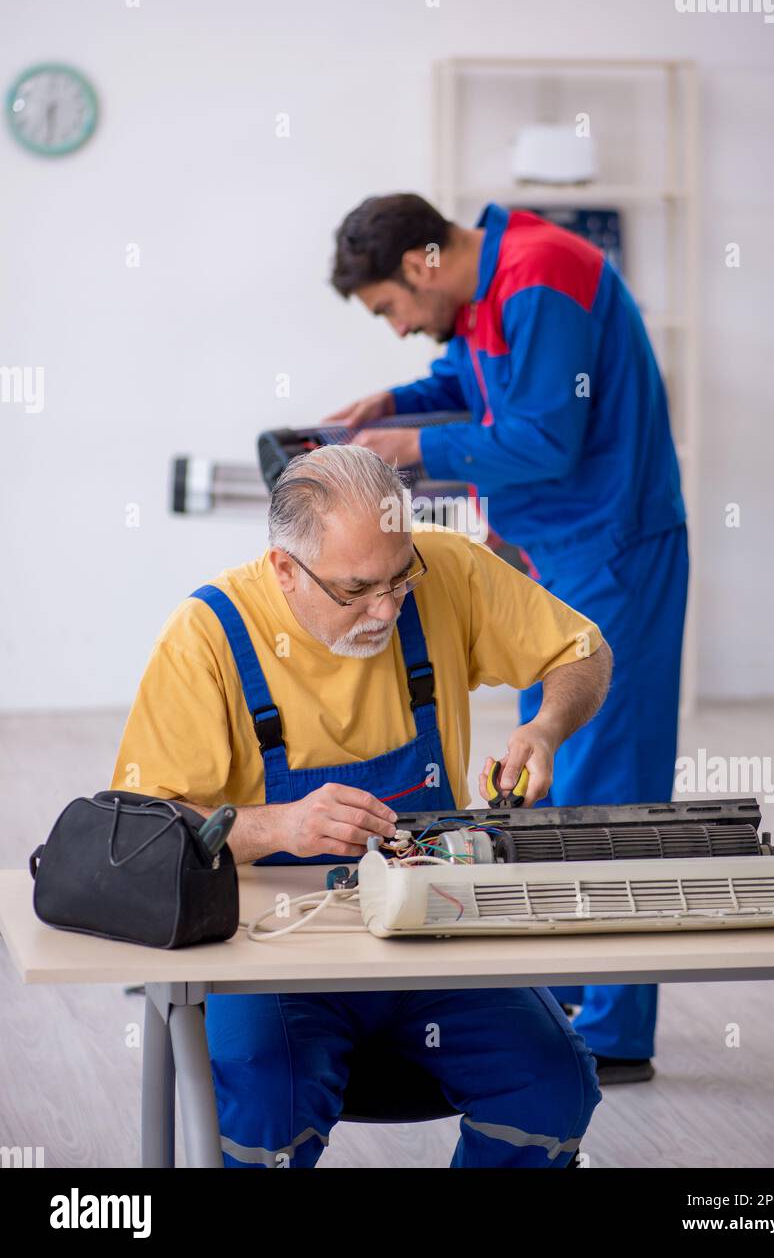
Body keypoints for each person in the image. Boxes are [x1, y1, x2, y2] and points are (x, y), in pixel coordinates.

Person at [112, 444, 612, 1168]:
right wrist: (278, 825)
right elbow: (141, 838)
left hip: (434, 926)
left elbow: (583, 651)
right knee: (264, 1105)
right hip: (273, 957)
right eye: (355, 590)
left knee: (553, 1084)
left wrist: (543, 726)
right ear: (285, 567)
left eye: (398, 578)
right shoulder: (206, 636)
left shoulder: (447, 571)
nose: (385, 609)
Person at [328, 194, 690, 1083]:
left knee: (607, 790)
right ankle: (567, 985)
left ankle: (613, 1027)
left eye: (390, 310)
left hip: (613, 547)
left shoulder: (541, 272)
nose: (402, 327)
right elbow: (477, 388)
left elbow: (543, 438)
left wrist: (409, 447)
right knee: (546, 769)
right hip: (551, 548)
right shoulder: (489, 289)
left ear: (419, 266)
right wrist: (397, 402)